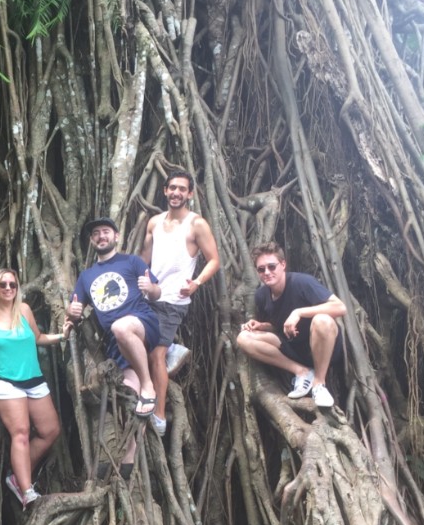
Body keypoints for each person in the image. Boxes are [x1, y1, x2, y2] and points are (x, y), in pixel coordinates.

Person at [0, 268, 63, 507]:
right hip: (1, 380)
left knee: (50, 431)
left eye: (12, 285)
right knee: (21, 432)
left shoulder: (24, 311)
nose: (8, 289)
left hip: (32, 378)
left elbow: (38, 338)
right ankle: (27, 491)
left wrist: (63, 335)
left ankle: (17, 477)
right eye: (3, 285)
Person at [140, 171, 220, 435]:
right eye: (172, 187)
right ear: (164, 191)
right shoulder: (154, 223)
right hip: (150, 296)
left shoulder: (196, 224)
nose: (176, 193)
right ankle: (172, 347)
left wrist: (196, 283)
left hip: (173, 300)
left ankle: (159, 413)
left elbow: (214, 260)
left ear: (190, 194)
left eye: (182, 189)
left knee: (155, 356)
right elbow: (145, 260)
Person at [65, 217, 160, 420]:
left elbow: (156, 293)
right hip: (116, 345)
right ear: (92, 240)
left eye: (106, 231)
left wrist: (151, 288)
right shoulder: (86, 276)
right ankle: (133, 448)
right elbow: (75, 310)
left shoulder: (131, 261)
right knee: (129, 408)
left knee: (121, 327)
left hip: (142, 323)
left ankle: (148, 385)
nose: (101, 236)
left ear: (116, 236)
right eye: (96, 233)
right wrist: (71, 312)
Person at [236, 242, 346, 408]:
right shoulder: (261, 295)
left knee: (322, 320)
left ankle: (319, 384)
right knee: (243, 338)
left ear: (283, 264)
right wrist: (261, 326)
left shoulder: (302, 283)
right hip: (292, 349)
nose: (267, 272)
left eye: (271, 267)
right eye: (261, 269)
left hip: (321, 348)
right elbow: (277, 328)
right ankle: (302, 372)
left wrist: (299, 313)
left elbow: (340, 307)